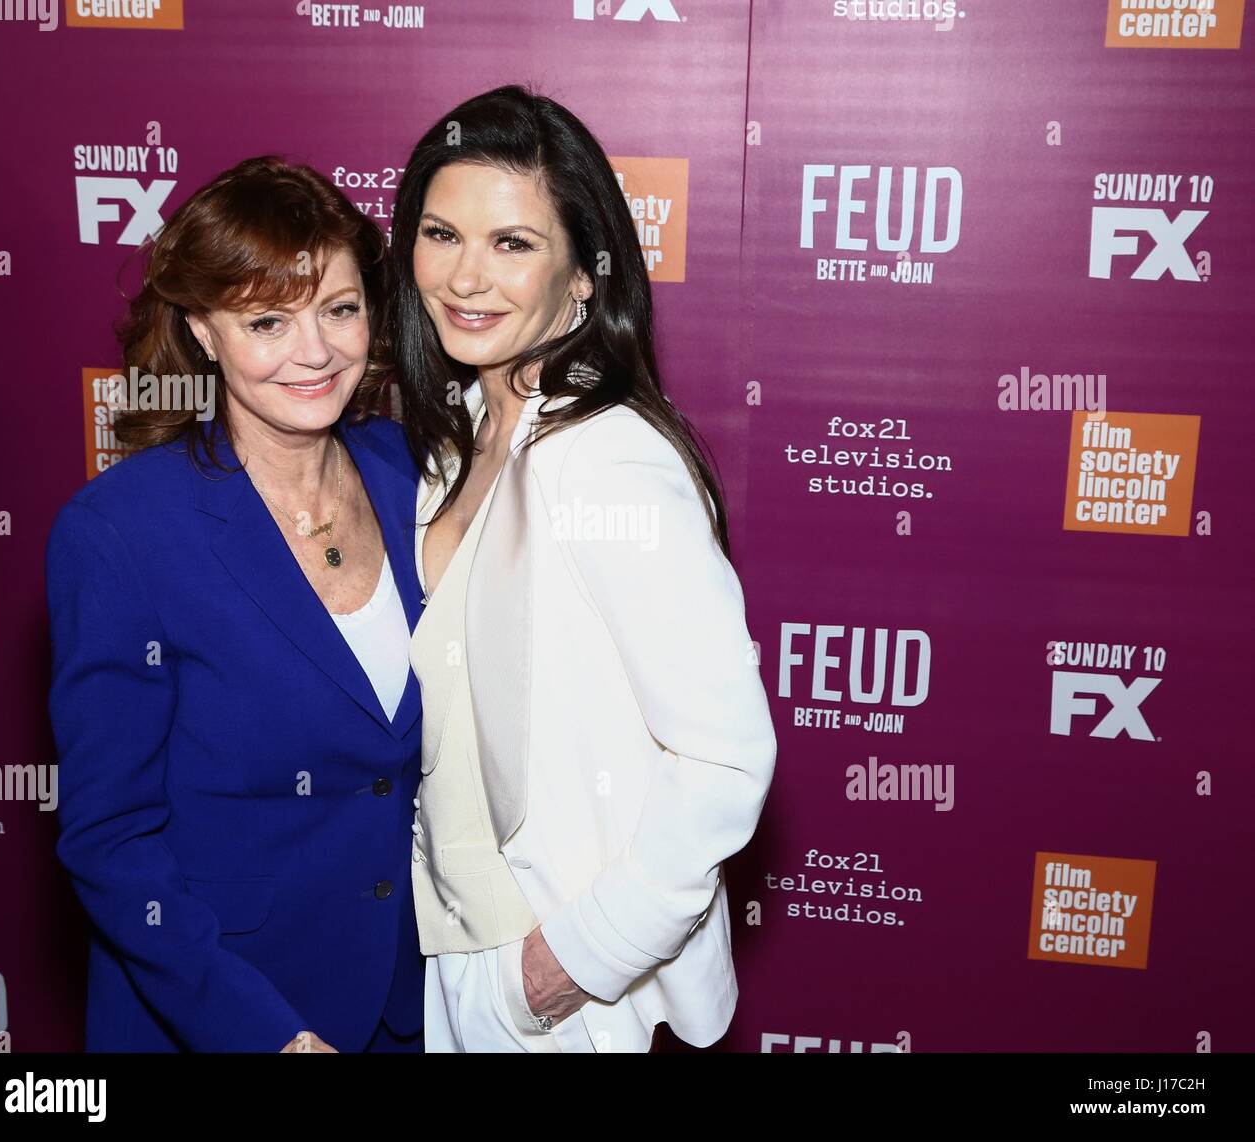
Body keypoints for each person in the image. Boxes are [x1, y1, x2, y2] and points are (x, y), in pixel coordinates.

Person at [388, 85, 778, 1053]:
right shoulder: (457, 438)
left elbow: (726, 758)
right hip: (451, 954)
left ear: (581, 278)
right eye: (441, 234)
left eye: (512, 242)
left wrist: (569, 962)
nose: (466, 276)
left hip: (562, 985)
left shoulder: (604, 457)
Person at [45, 156, 425, 1052]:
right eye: (266, 320)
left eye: (339, 308)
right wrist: (269, 1037)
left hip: (409, 999)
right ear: (203, 333)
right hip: (224, 1012)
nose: (317, 351)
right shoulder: (122, 534)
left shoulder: (414, 472)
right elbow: (110, 842)